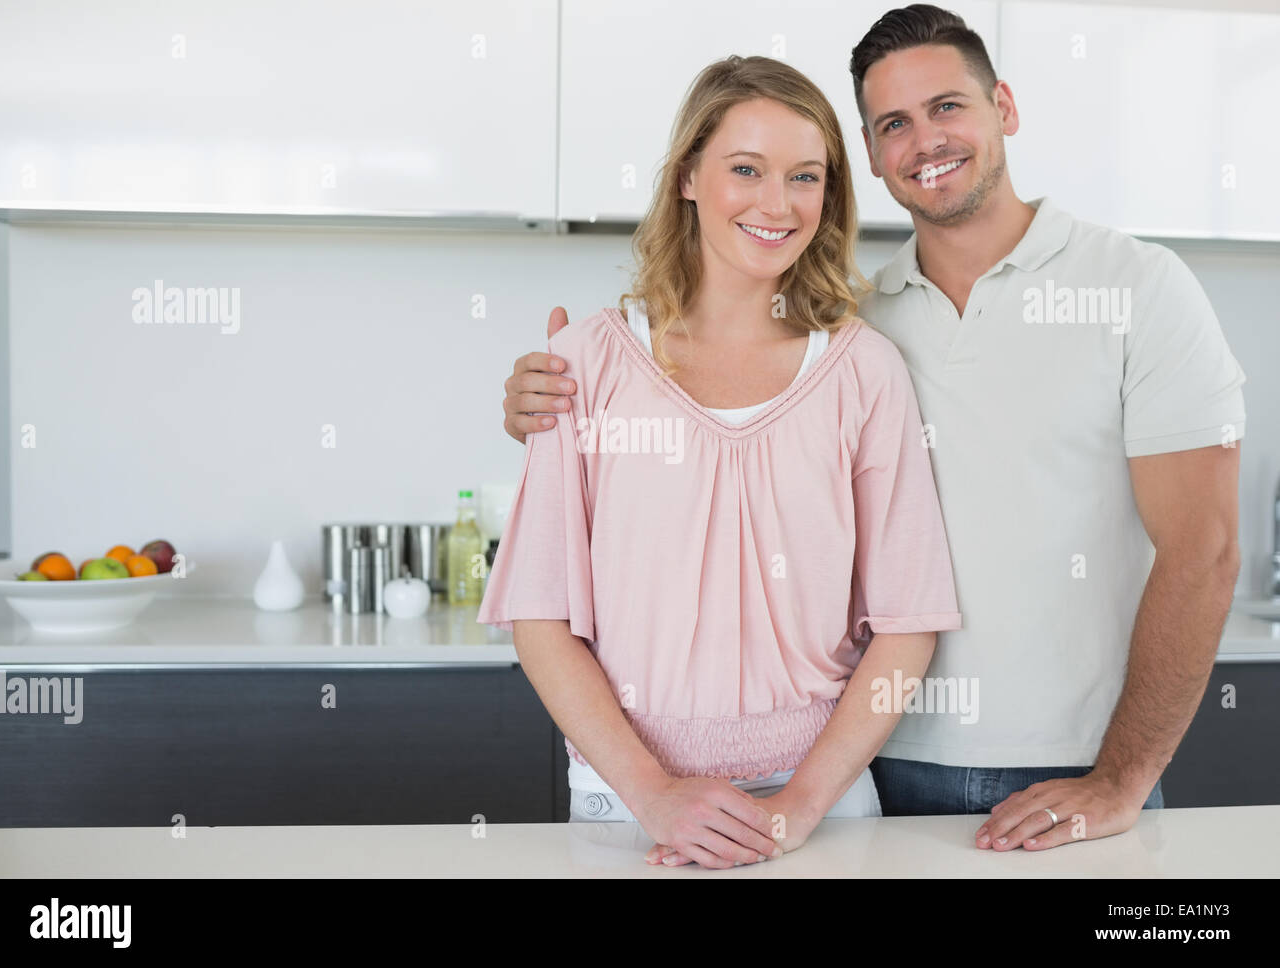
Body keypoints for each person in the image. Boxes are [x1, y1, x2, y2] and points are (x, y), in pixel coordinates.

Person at [499, 4, 1247, 858]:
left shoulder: (1130, 289)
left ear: (1003, 107)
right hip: (887, 767)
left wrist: (1121, 778)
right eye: (894, 122)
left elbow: (1207, 548)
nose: (926, 140)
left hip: (1071, 771)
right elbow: (556, 592)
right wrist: (547, 405)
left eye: (948, 107)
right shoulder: (869, 318)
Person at [478, 54, 961, 870]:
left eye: (805, 176)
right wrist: (654, 793)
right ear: (687, 178)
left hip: (824, 802)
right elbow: (541, 619)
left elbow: (908, 626)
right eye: (746, 169)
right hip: (624, 799)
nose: (778, 203)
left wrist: (798, 809)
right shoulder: (583, 362)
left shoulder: (866, 371)